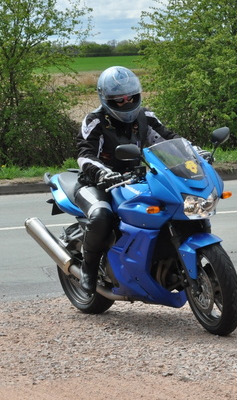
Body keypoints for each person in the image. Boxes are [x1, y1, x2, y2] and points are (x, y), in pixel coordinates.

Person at [75, 66, 209, 292]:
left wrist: (195, 153)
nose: (126, 103)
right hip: (96, 183)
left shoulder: (144, 117)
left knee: (170, 206)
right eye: (118, 100)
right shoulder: (95, 121)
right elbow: (85, 154)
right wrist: (102, 172)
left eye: (130, 97)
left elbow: (168, 139)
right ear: (105, 98)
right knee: (101, 216)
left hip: (134, 179)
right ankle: (88, 269)